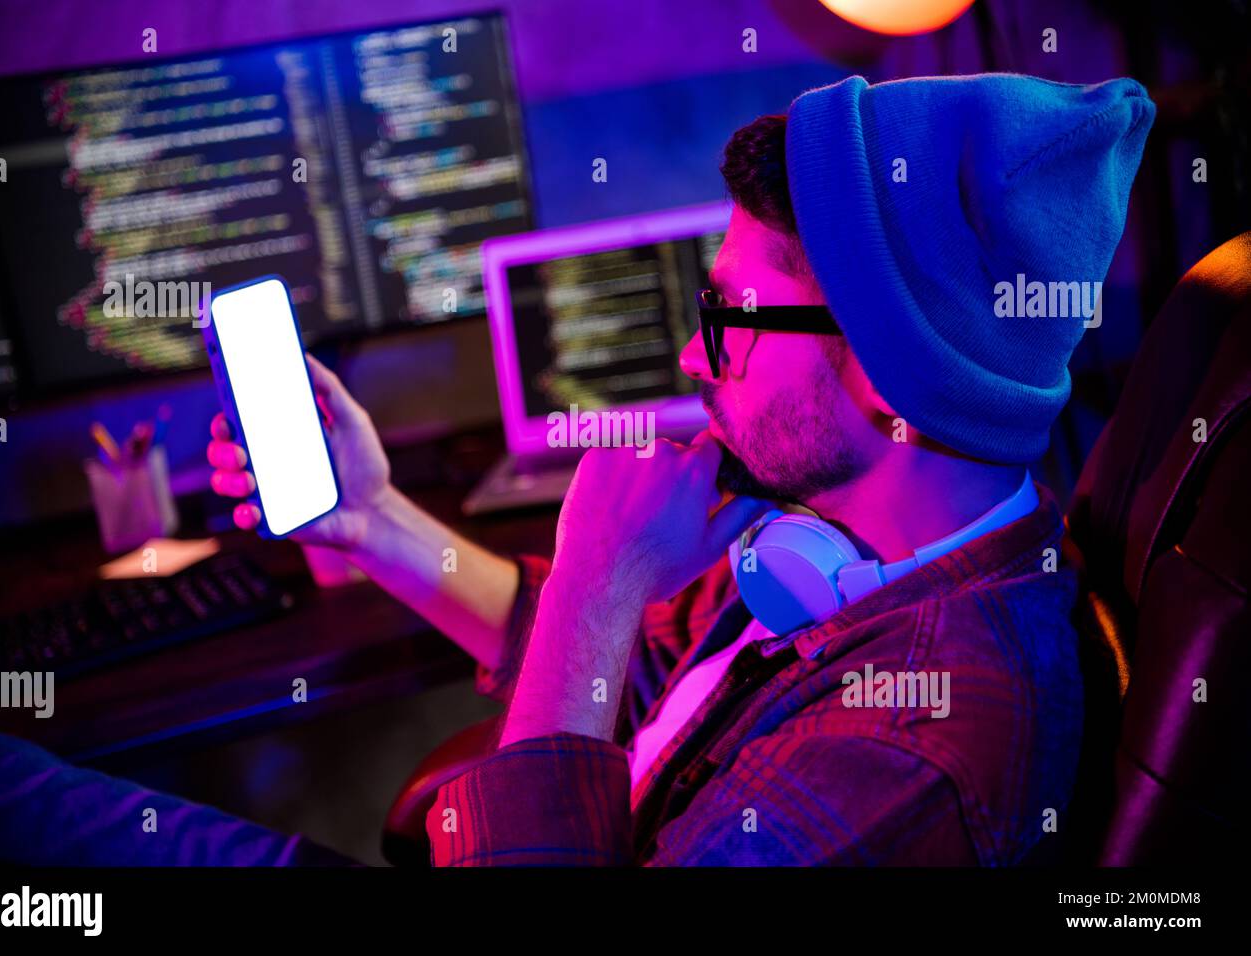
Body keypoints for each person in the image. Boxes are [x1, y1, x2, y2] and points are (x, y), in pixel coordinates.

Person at [208, 74, 1155, 864]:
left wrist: (595, 581)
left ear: (885, 372)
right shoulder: (840, 543)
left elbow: (591, 637)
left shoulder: (911, 756)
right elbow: (620, 670)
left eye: (729, 318)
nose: (696, 363)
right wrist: (373, 519)